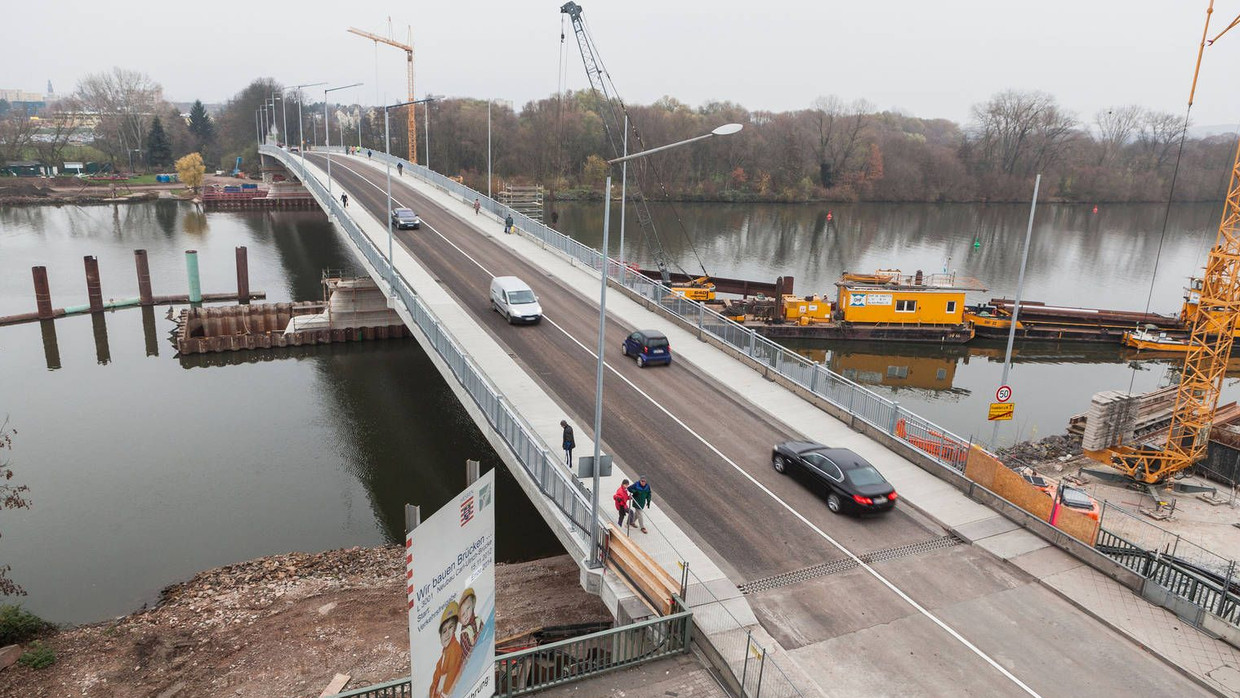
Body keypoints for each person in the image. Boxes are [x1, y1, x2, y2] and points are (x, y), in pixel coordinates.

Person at [429, 601, 464, 698]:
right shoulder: (445, 653)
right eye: (444, 631)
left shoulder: (454, 650)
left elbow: (448, 688)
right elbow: (435, 681)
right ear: (440, 635)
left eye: (451, 627)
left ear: (455, 628)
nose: (447, 634)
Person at [458, 588, 483, 658]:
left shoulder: (477, 621)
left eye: (468, 608)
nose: (466, 615)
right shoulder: (464, 633)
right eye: (462, 614)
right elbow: (468, 655)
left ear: (473, 606)